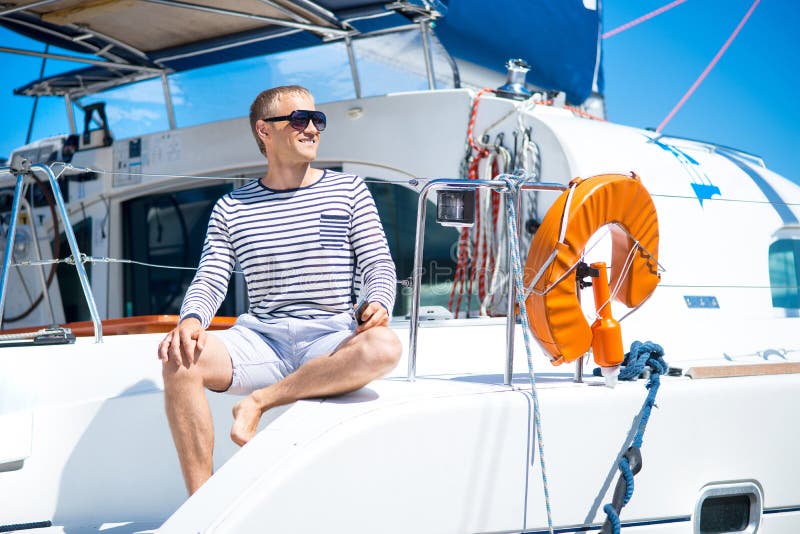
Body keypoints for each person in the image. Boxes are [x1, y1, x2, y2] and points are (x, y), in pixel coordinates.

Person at [158, 85, 401, 495]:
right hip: (261, 339)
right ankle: (202, 505)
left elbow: (378, 263)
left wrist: (377, 299)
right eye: (299, 119)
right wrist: (192, 321)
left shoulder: (349, 190)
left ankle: (258, 402)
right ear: (264, 131)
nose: (312, 129)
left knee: (383, 347)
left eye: (317, 119)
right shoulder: (231, 207)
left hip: (330, 337)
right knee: (179, 358)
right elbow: (211, 276)